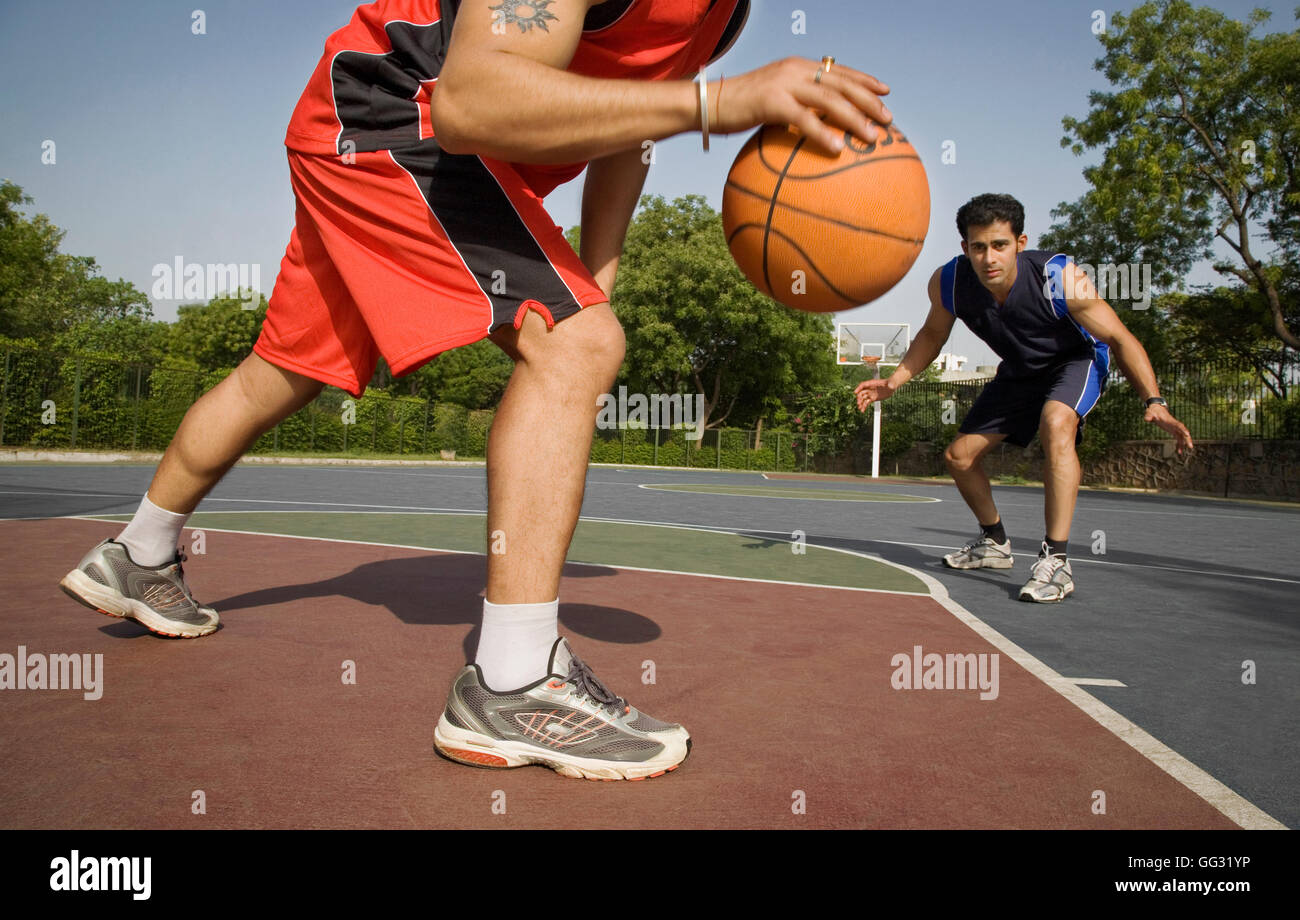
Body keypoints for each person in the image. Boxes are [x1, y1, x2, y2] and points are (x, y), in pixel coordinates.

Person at [59, 0, 893, 780]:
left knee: (289, 369)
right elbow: (473, 99)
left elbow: (625, 133)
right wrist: (717, 102)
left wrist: (597, 288)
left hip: (382, 134)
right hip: (398, 117)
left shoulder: (720, 13)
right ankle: (512, 683)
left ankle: (137, 552)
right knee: (573, 344)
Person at [855, 193, 1193, 603]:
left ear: (1020, 242)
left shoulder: (1059, 277)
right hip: (1019, 372)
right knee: (959, 457)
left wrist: (1153, 401)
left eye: (999, 245)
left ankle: (1057, 561)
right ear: (965, 248)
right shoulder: (949, 281)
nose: (989, 257)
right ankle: (995, 542)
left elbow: (1119, 337)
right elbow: (932, 334)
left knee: (1056, 422)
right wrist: (895, 380)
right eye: (978, 247)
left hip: (1075, 361)